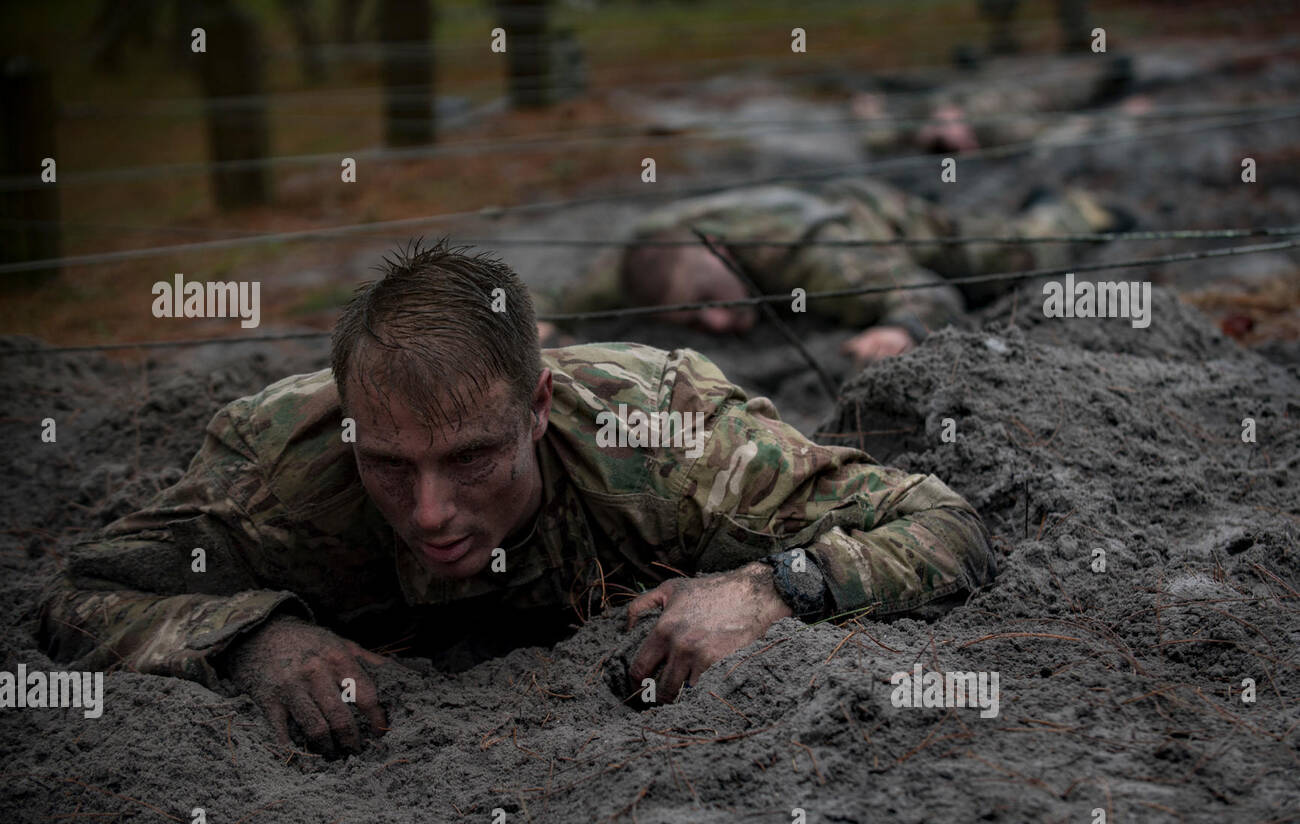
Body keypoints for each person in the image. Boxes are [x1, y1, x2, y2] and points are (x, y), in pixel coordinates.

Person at [38, 239, 997, 756]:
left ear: (538, 409)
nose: (428, 514)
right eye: (389, 464)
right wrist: (254, 638)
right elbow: (83, 594)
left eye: (468, 460)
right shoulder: (280, 473)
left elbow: (943, 523)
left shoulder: (665, 439)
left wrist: (771, 589)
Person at [558, 178, 1125, 363]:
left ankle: (1083, 206)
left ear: (724, 255)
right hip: (793, 206)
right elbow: (549, 299)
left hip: (872, 215)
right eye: (691, 317)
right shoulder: (641, 263)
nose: (715, 321)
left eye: (712, 297)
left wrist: (898, 329)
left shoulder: (813, 259)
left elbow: (930, 293)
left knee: (1001, 259)